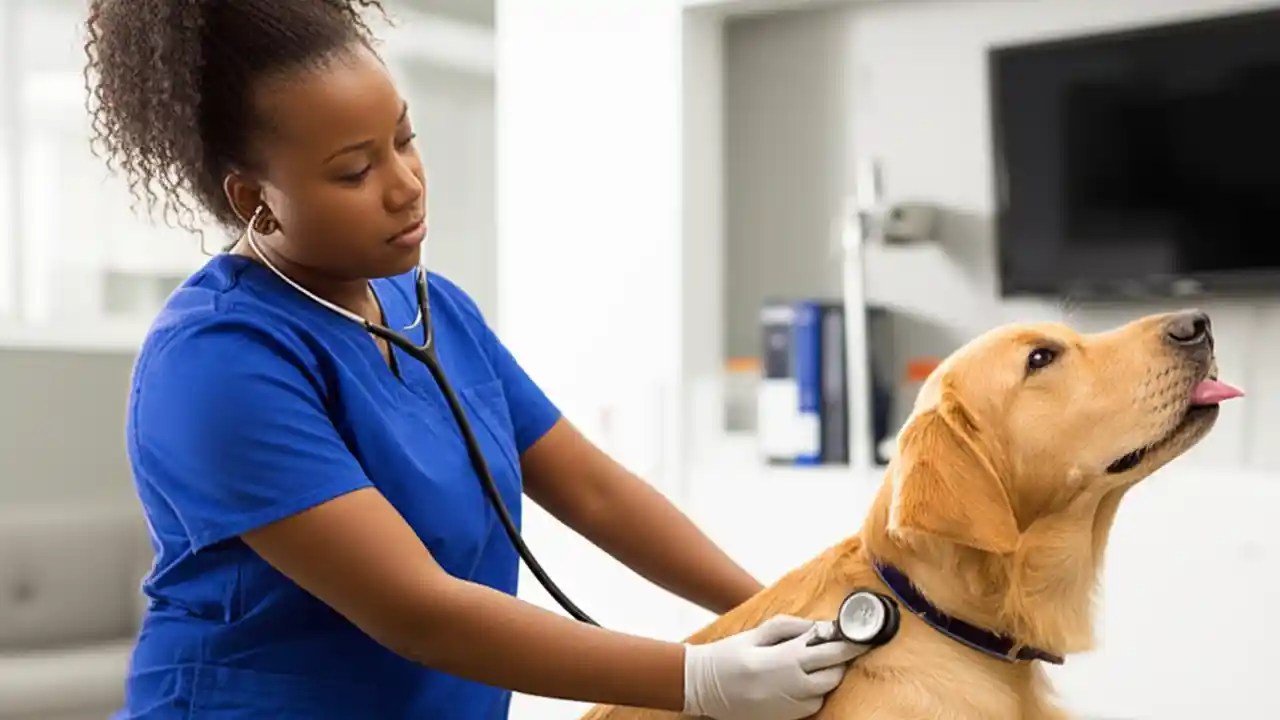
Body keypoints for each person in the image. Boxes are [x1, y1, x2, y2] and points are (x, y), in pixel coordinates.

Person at [84, 1, 865, 718]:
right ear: (254, 199)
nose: (406, 186)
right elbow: (416, 611)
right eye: (355, 170)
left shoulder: (433, 309)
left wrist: (781, 607)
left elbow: (594, 492)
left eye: (404, 139)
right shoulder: (215, 364)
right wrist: (701, 679)